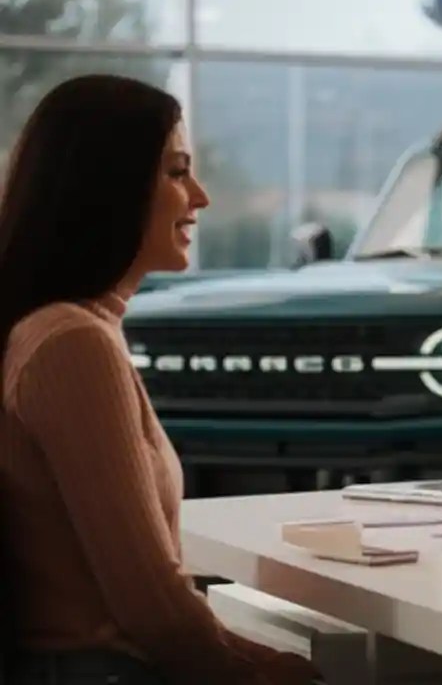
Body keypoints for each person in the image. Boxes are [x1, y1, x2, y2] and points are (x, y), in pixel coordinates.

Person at [0, 75, 320, 684]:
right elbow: (151, 606)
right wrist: (272, 672)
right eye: (177, 173)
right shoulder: (72, 344)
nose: (200, 197)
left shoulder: (72, 328)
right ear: (109, 189)